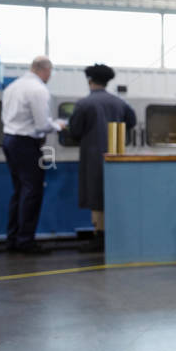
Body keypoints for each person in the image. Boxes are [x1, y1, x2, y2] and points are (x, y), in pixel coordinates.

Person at [1, 55, 65, 254]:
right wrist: (59, 125)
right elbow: (42, 125)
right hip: (26, 143)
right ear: (44, 70)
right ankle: (26, 241)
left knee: (19, 191)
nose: (49, 76)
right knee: (32, 192)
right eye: (50, 73)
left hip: (10, 140)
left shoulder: (13, 87)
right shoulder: (38, 90)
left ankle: (13, 238)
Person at [68, 63, 136, 249]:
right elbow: (132, 120)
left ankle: (99, 236)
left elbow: (74, 131)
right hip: (116, 154)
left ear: (89, 81)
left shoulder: (84, 104)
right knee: (112, 194)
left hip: (92, 156)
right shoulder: (119, 102)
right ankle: (115, 235)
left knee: (95, 197)